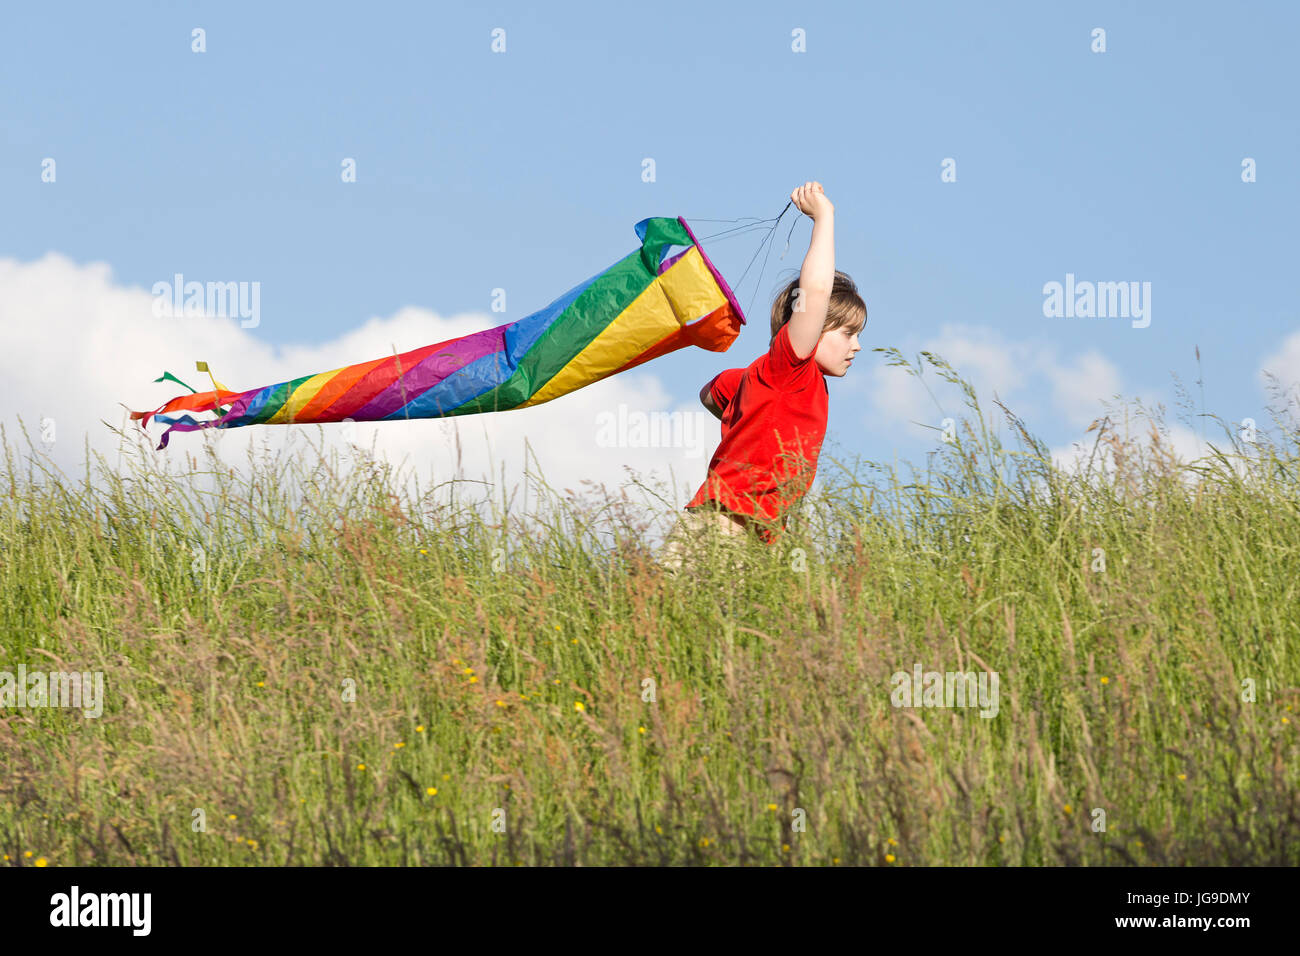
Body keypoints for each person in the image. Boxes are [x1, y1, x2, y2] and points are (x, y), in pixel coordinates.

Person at [659, 181, 867, 575]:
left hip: (759, 540)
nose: (856, 346)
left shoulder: (768, 379)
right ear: (811, 327)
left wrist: (748, 413)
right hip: (720, 529)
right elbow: (817, 289)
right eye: (847, 333)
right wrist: (824, 217)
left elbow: (711, 392)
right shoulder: (789, 366)